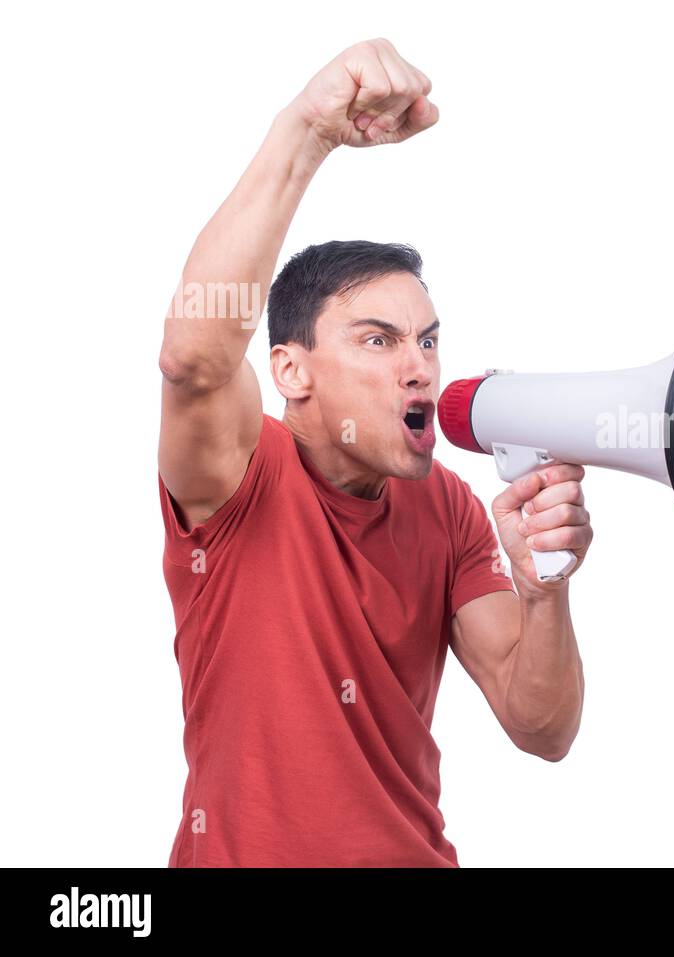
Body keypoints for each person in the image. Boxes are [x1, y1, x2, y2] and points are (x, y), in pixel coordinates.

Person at [156, 39, 592, 867]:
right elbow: (192, 360)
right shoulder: (241, 478)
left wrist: (543, 595)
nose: (419, 364)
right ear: (291, 369)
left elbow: (543, 727)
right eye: (378, 340)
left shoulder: (453, 508)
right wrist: (309, 131)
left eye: (427, 339)